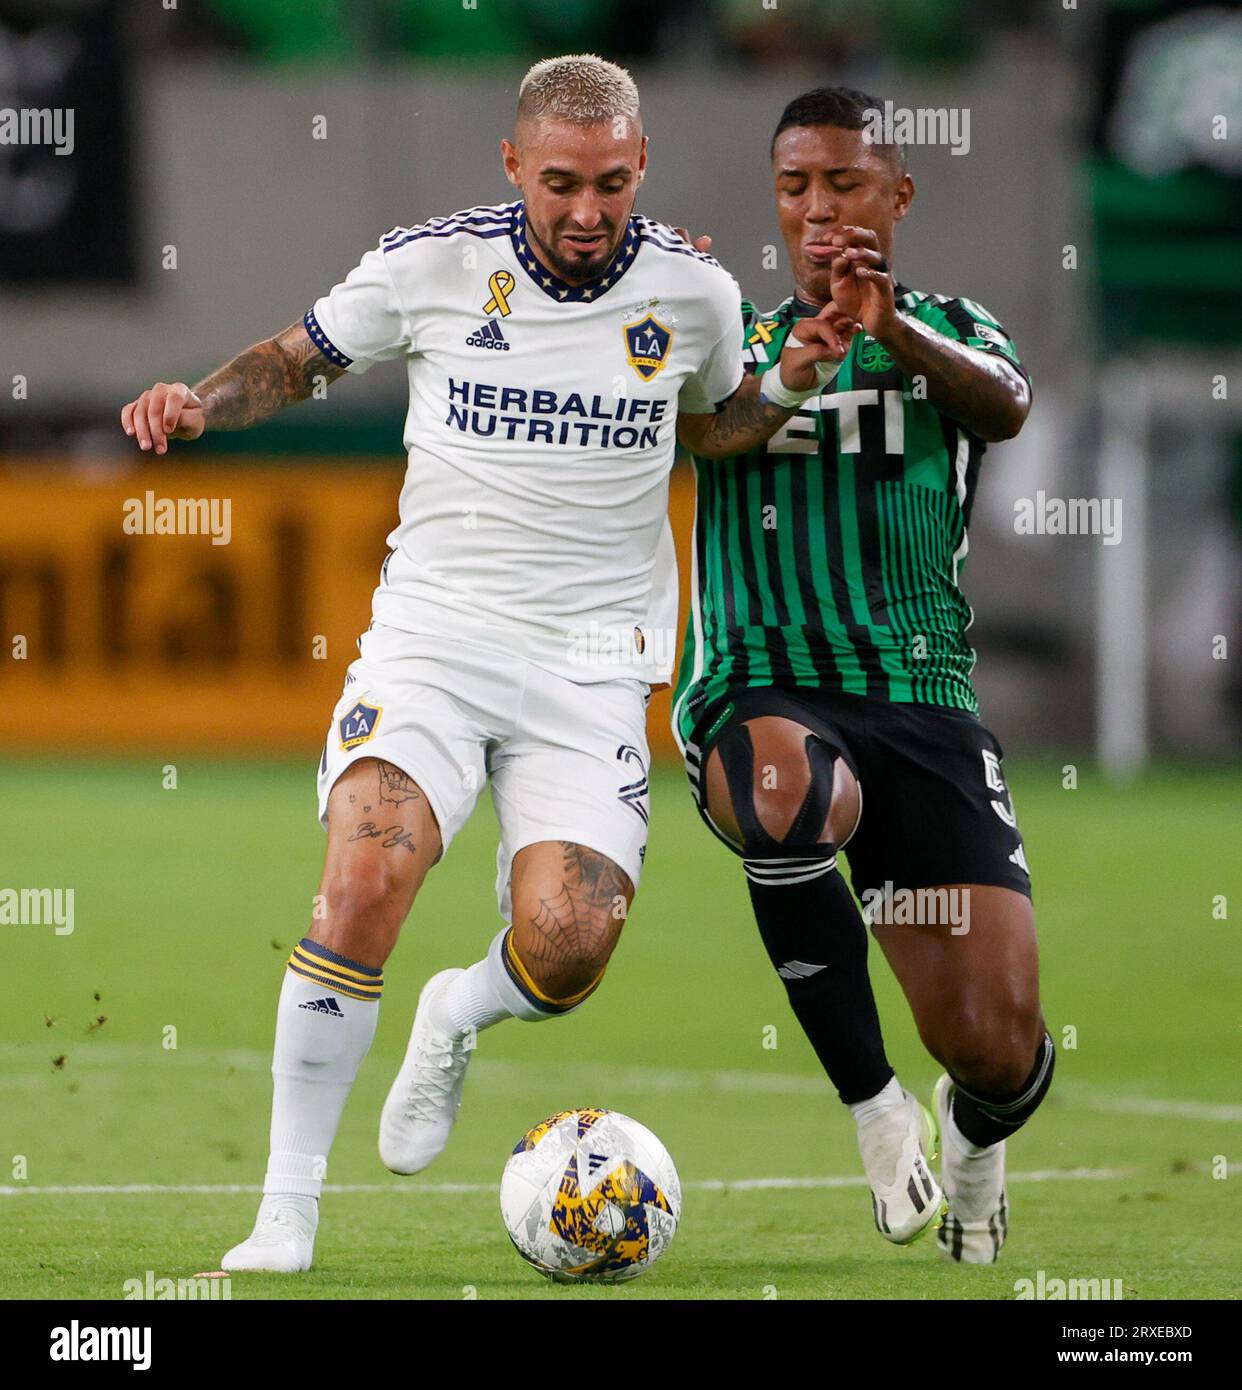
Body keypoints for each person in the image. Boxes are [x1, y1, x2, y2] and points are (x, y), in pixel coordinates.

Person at [119, 55, 853, 1274]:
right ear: (514, 166)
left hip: (594, 669)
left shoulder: (698, 290)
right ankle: (285, 1214)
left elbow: (715, 430)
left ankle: (456, 1009)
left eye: (610, 185)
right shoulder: (434, 263)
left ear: (642, 170)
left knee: (570, 946)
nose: (584, 211)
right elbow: (297, 357)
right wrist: (199, 407)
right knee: (363, 875)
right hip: (437, 642)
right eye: (560, 182)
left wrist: (785, 382)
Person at [672, 86, 1051, 1263]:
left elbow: (1005, 408)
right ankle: (875, 1111)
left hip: (922, 700)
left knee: (999, 1047)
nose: (820, 209)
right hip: (762, 686)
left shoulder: (954, 325)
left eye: (844, 183)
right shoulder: (730, 333)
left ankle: (971, 1139)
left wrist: (889, 331)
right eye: (796, 188)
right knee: (785, 794)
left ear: (899, 191)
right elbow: (692, 426)